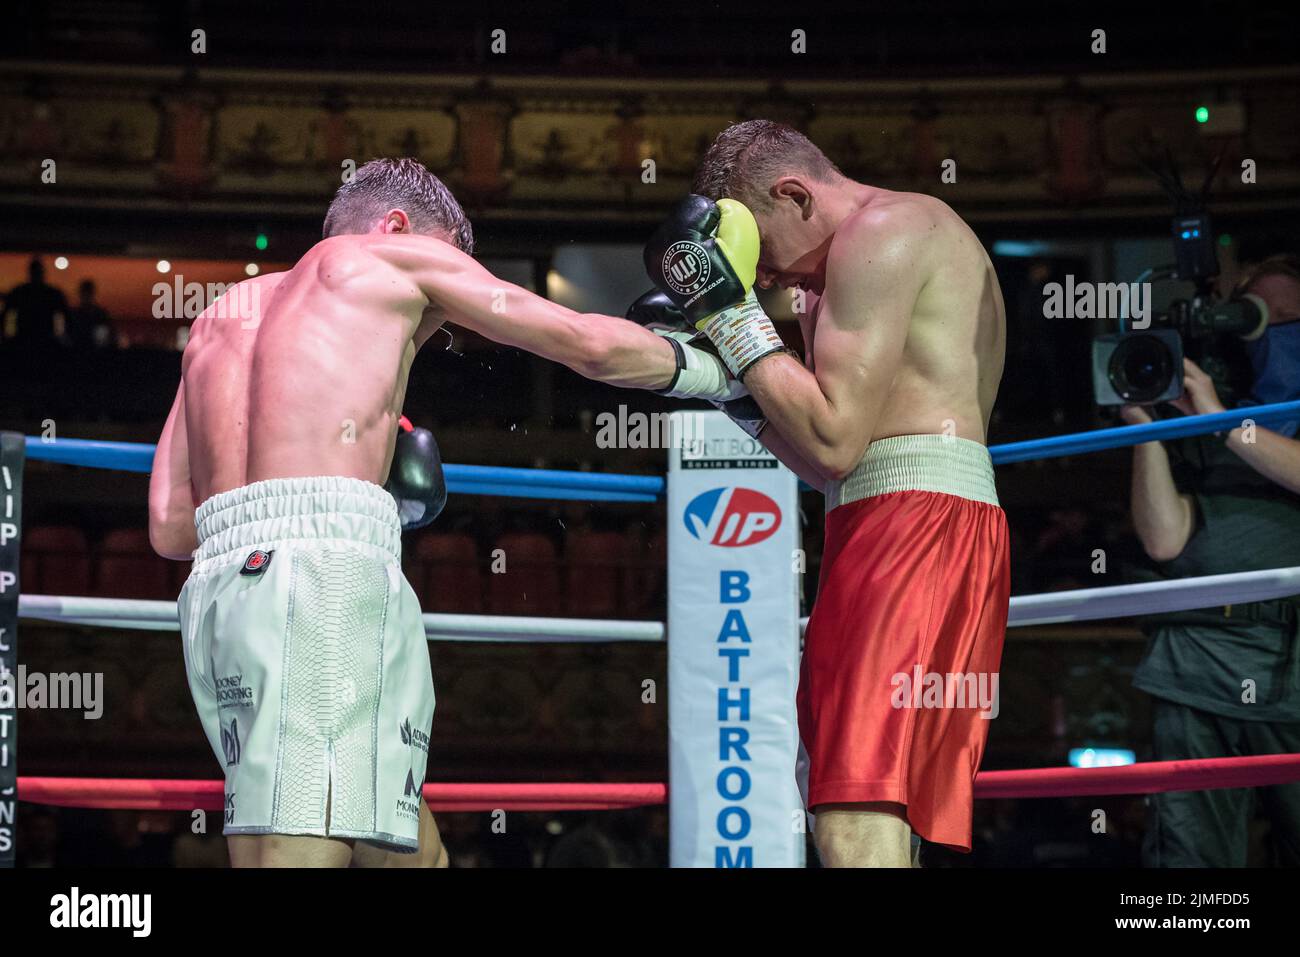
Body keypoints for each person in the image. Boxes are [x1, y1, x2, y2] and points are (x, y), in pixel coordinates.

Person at [147, 157, 741, 867]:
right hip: (320, 579)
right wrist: (720, 365)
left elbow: (170, 526)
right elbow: (583, 342)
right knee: (293, 849)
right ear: (397, 227)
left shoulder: (219, 315)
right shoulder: (385, 259)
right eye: (452, 266)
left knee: (409, 852)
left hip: (220, 591)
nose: (443, 313)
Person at [635, 119, 1010, 866]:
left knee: (852, 815)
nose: (763, 278)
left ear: (794, 193)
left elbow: (835, 438)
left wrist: (725, 311)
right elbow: (825, 460)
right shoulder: (855, 267)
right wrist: (726, 388)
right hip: (898, 521)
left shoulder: (882, 232)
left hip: (914, 528)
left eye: (758, 251)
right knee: (867, 807)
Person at [1123, 253, 1300, 867]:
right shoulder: (1215, 410)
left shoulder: (1226, 418)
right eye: (1255, 318)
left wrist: (1223, 422)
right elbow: (1164, 540)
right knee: (1191, 868)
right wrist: (1139, 425)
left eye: (1286, 318)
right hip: (1198, 657)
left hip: (1292, 664)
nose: (1272, 330)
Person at [2, 257, 68, 351]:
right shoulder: (52, 293)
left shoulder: (19, 292)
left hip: (27, 340)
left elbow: (6, 314)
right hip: (40, 340)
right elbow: (65, 316)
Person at [65, 279, 113, 350]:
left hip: (92, 352)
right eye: (84, 293)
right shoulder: (74, 314)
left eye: (87, 293)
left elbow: (104, 338)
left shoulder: (100, 314)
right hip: (80, 351)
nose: (86, 296)